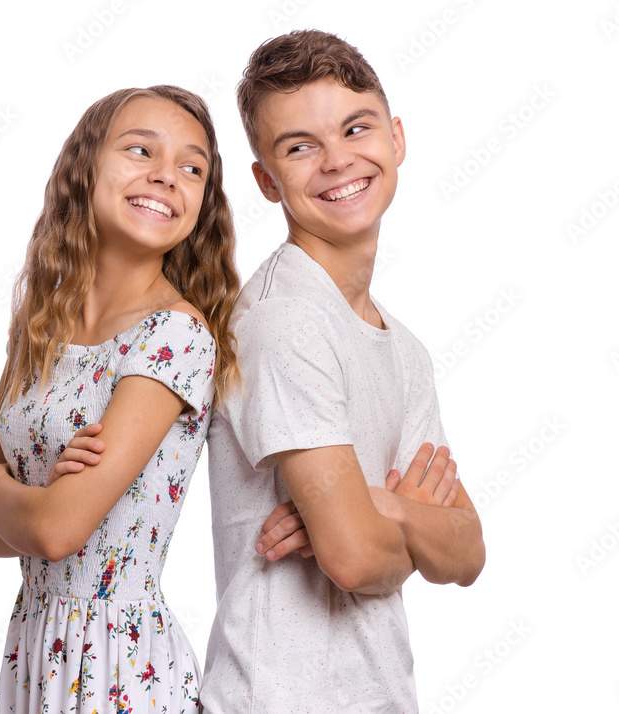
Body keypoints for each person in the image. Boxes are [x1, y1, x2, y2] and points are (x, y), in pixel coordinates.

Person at [198, 30, 487, 713]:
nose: (337, 160)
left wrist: (380, 505)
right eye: (299, 146)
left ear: (396, 138)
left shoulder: (403, 348)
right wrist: (399, 524)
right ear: (267, 181)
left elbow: (468, 553)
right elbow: (355, 559)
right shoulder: (285, 322)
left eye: (356, 129)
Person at [0, 85, 240, 714]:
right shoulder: (39, 328)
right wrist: (37, 502)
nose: (166, 176)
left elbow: (56, 531)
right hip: (36, 654)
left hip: (119, 666)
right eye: (141, 150)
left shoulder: (175, 336)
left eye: (192, 168)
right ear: (86, 167)